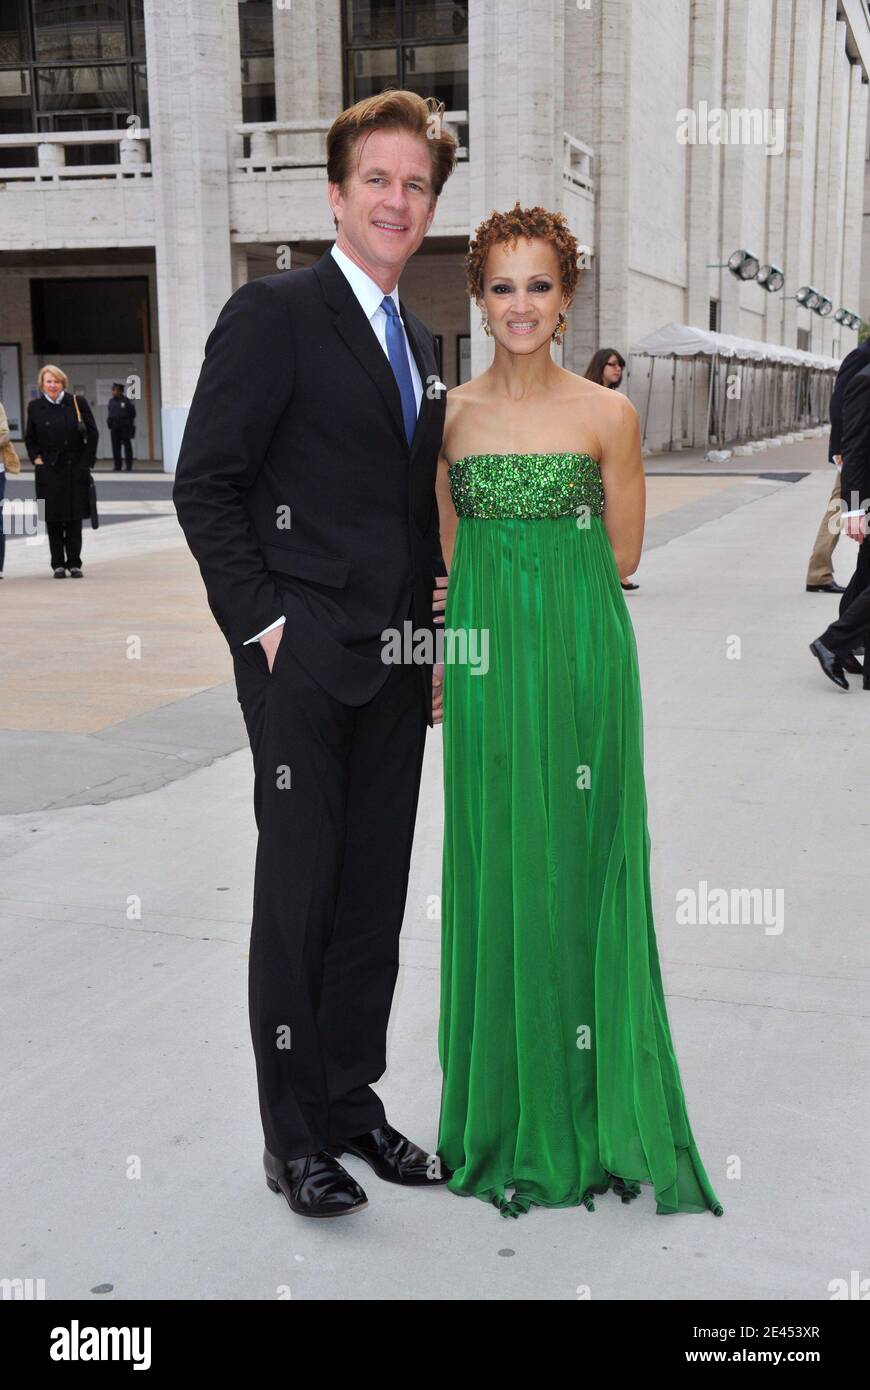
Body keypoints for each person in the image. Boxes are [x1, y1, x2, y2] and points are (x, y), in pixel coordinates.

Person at [173, 90, 457, 1219]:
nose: (397, 199)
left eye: (417, 184)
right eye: (378, 179)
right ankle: (291, 1136)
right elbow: (208, 484)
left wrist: (431, 630)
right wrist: (266, 625)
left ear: (431, 206)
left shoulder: (425, 342)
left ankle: (349, 1101)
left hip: (393, 656)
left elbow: (408, 505)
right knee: (299, 894)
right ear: (336, 194)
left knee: (371, 896)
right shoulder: (275, 311)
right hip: (301, 660)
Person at [434, 203, 724, 1219]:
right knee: (498, 866)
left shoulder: (608, 416)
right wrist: (457, 657)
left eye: (540, 285)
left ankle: (588, 1109)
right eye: (503, 285)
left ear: (567, 298)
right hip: (482, 680)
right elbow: (451, 559)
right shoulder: (452, 415)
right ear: (480, 294)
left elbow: (624, 556)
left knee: (578, 865)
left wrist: (542, 614)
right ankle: (505, 1113)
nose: (521, 304)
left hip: (582, 665)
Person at [809, 357, 870, 690]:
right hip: (867, 494)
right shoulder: (864, 376)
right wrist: (854, 507)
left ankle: (841, 647)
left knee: (864, 575)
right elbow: (856, 446)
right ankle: (832, 642)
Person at [805, 334, 870, 594]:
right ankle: (818, 572)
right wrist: (840, 450)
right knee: (839, 506)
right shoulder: (861, 356)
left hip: (856, 449)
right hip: (854, 451)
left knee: (840, 505)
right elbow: (841, 402)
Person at [24, 364, 98, 577]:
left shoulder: (76, 402)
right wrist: (36, 458)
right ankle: (57, 563)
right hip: (47, 469)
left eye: (56, 381)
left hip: (74, 467)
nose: (53, 385)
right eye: (48, 381)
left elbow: (93, 433)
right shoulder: (35, 407)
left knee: (74, 517)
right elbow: (31, 438)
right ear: (42, 385)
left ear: (63, 383)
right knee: (52, 517)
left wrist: (86, 463)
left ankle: (74, 562)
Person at [585, 348, 638, 591]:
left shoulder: (614, 400)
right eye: (613, 364)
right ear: (600, 366)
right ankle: (611, 571)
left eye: (621, 365)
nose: (618, 369)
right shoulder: (589, 397)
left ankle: (617, 571)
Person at [107, 382, 136, 471]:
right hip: (115, 427)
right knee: (115, 447)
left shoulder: (126, 401)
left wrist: (130, 425)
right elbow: (110, 413)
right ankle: (117, 465)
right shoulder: (111, 401)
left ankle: (128, 465)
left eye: (115, 390)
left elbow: (132, 414)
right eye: (113, 390)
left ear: (120, 391)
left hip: (125, 427)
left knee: (127, 447)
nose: (113, 392)